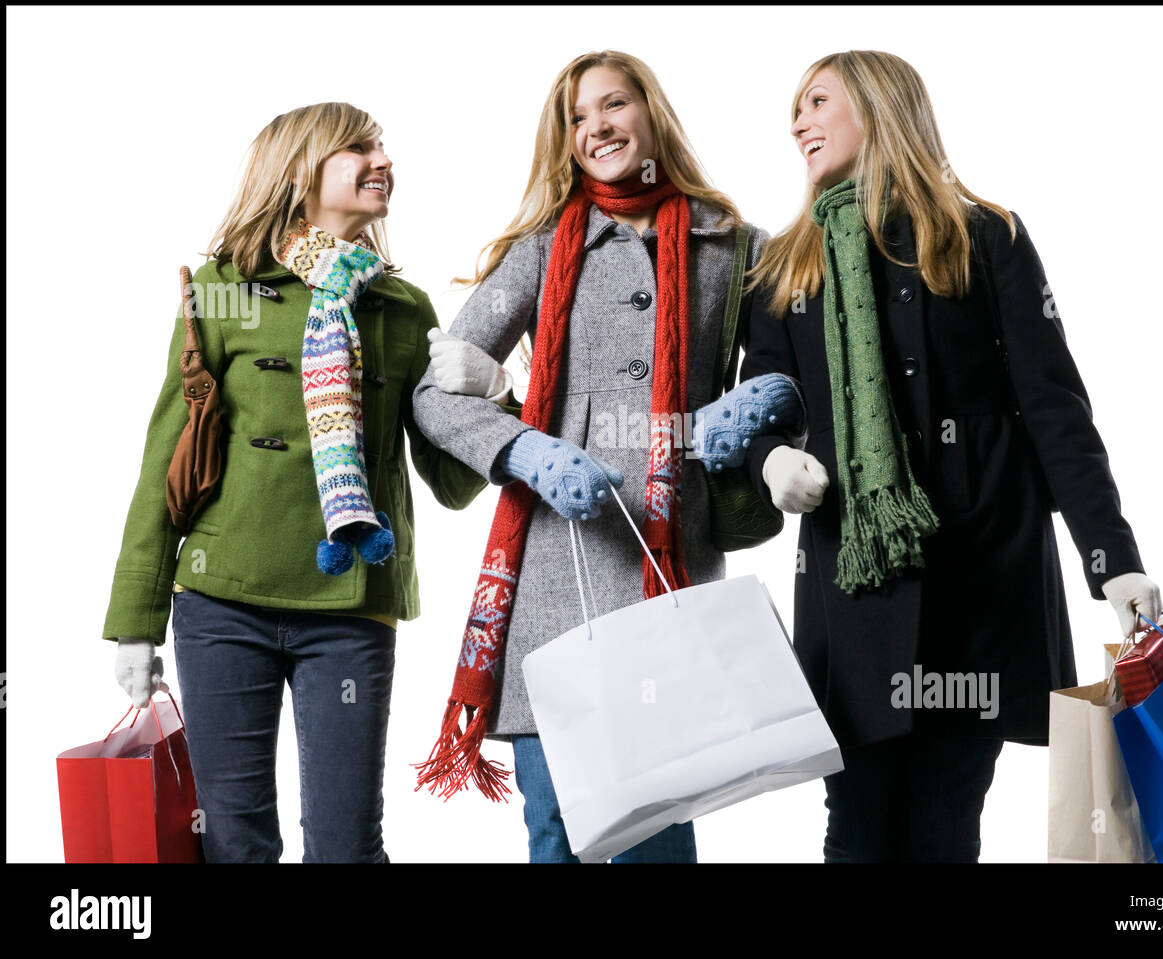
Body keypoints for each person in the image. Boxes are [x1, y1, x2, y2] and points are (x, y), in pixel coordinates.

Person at [739, 51, 1163, 862]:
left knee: (944, 823)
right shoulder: (785, 266)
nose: (798, 122)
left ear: (878, 107)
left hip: (978, 586)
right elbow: (756, 406)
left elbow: (1055, 410)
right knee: (857, 826)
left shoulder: (985, 236)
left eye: (817, 101)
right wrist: (767, 460)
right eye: (795, 108)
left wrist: (1113, 560)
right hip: (851, 593)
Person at [411, 50, 801, 863]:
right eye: (577, 119)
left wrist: (755, 407)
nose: (596, 128)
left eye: (612, 105)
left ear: (650, 112)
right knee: (559, 831)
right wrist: (525, 449)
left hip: (669, 567)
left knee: (657, 829)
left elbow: (791, 375)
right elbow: (433, 393)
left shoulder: (732, 245)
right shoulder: (544, 246)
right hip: (554, 574)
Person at [103, 102, 489, 862]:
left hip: (349, 605)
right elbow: (164, 461)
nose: (382, 161)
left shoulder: (403, 308)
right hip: (221, 602)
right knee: (235, 842)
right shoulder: (222, 290)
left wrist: (495, 392)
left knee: (346, 846)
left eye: (383, 147)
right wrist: (136, 619)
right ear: (301, 168)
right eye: (358, 148)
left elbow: (447, 478)